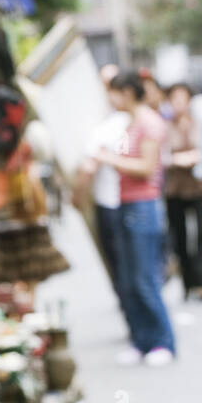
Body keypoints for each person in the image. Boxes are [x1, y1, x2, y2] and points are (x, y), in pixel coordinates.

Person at [96, 71, 176, 366]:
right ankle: (141, 340)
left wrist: (109, 159)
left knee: (144, 280)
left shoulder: (149, 123)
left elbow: (146, 168)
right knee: (128, 280)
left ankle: (162, 341)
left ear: (127, 92)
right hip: (126, 205)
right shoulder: (131, 123)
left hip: (143, 207)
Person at [74, 64, 130, 321]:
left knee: (128, 269)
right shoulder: (107, 124)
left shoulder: (119, 124)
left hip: (125, 205)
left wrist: (77, 198)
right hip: (117, 203)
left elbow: (89, 168)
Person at [164, 83, 202, 300]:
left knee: (200, 235)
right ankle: (187, 283)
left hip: (199, 187)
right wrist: (176, 160)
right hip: (175, 189)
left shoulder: (200, 124)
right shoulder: (164, 126)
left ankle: (201, 283)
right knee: (180, 238)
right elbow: (160, 156)